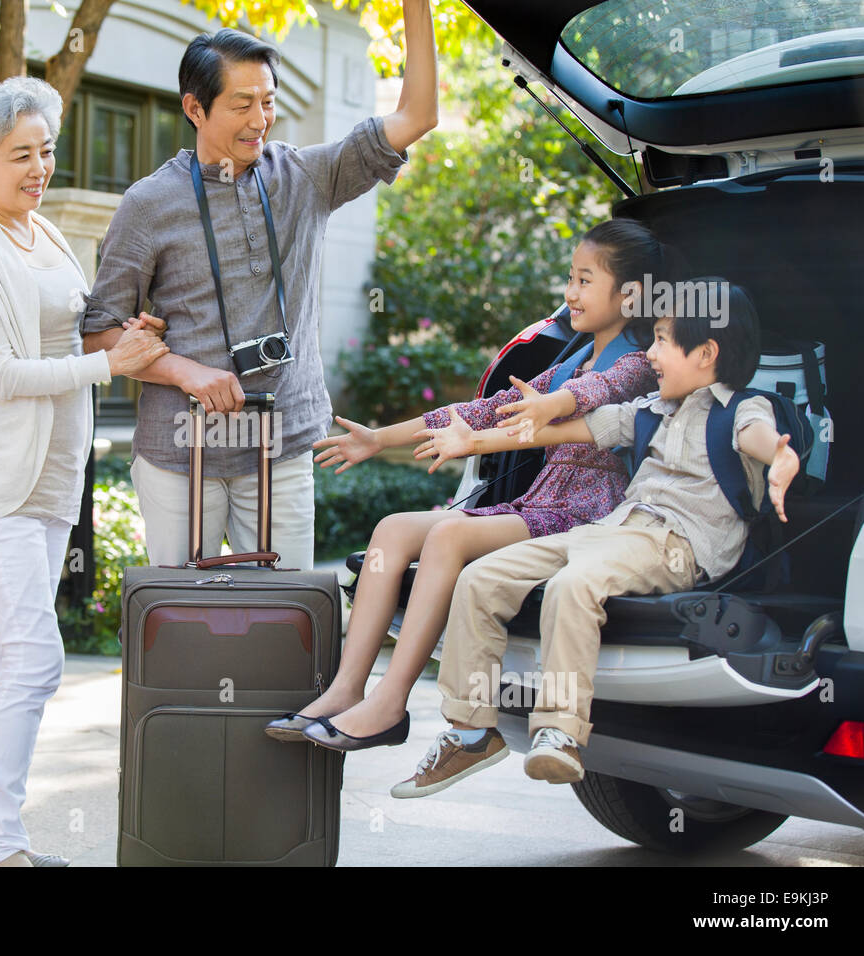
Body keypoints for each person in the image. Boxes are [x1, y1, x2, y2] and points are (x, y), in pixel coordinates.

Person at [270, 220, 670, 750]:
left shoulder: (639, 363)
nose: (569, 293)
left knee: (448, 536)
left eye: (585, 280)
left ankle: (391, 704)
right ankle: (347, 688)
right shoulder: (577, 357)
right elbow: (482, 411)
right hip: (540, 506)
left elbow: (597, 391)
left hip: (583, 518)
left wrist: (547, 405)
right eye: (570, 278)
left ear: (630, 294)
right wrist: (378, 439)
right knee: (391, 530)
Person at [393, 283, 800, 797]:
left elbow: (758, 439)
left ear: (705, 354)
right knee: (481, 577)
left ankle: (560, 731)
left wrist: (781, 458)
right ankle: (471, 732)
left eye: (661, 340)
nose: (648, 353)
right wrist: (472, 440)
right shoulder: (652, 409)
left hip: (675, 543)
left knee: (573, 586)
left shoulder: (743, 409)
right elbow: (567, 430)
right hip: (612, 531)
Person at [82, 1, 438, 570]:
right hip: (180, 449)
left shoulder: (306, 176)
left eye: (268, 102)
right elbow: (98, 339)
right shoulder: (147, 204)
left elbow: (418, 114)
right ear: (194, 108)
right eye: (242, 104)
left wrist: (415, 6)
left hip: (284, 444)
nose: (259, 119)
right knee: (184, 623)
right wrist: (186, 372)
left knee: (282, 623)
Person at [0, 78, 168, 868]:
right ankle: (3, 846)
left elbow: (73, 330)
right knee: (35, 654)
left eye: (45, 151)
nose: (40, 168)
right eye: (20, 155)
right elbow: (1, 372)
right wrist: (105, 366)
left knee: (9, 652)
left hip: (50, 474)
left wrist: (119, 340)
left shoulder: (44, 232)